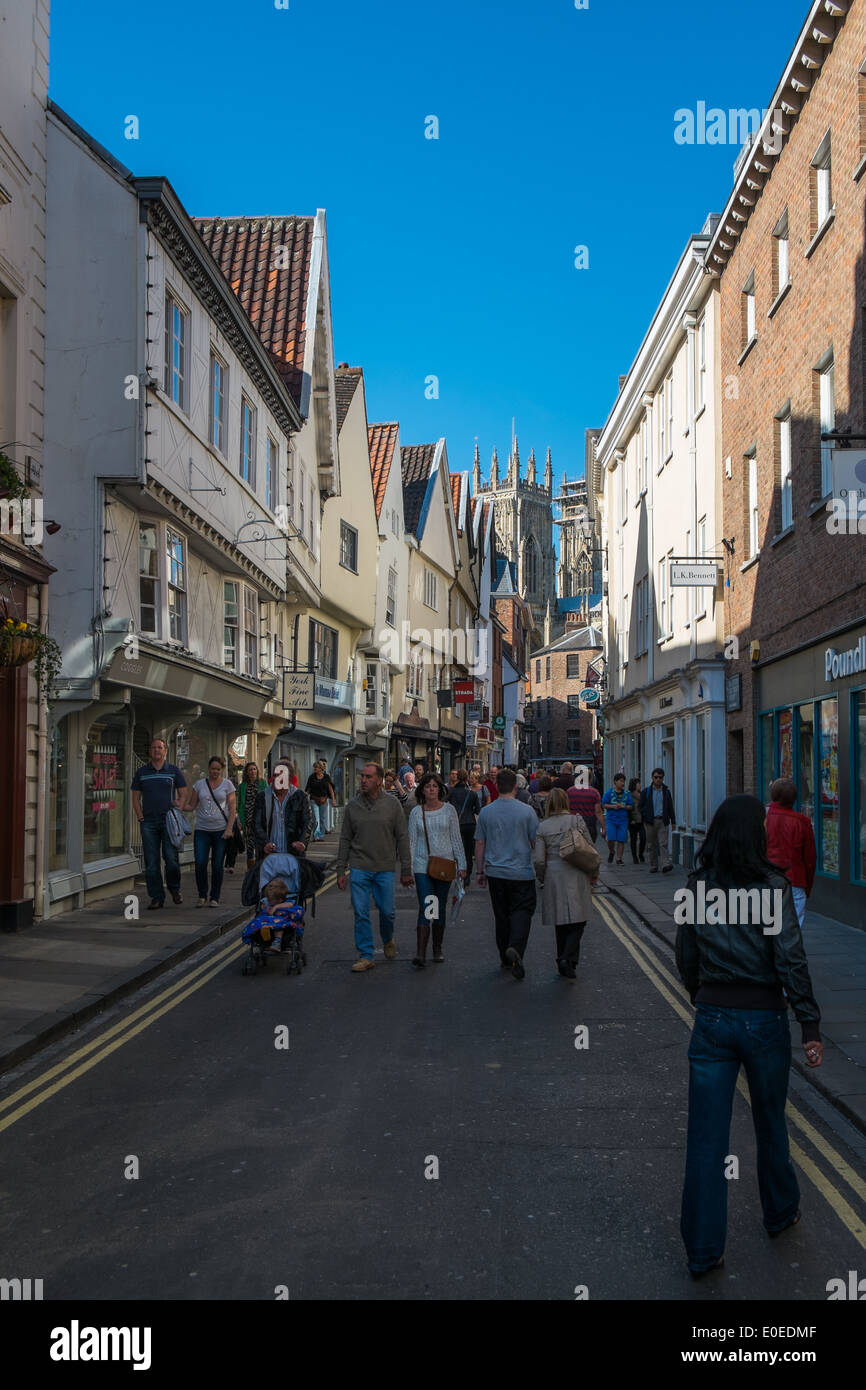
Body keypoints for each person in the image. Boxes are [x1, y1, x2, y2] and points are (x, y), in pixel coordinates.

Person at [676, 795, 822, 1277]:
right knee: (770, 1122)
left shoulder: (696, 886)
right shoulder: (774, 888)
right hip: (764, 1019)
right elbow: (790, 958)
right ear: (754, 835)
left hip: (714, 1017)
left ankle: (703, 1249)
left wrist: (702, 993)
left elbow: (687, 955)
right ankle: (780, 1213)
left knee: (705, 1138)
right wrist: (809, 1023)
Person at [336, 763, 413, 971]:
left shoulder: (393, 805)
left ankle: (388, 939)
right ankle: (366, 954)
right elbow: (344, 839)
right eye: (362, 776)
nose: (363, 780)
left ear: (379, 781)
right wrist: (341, 870)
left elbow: (403, 837)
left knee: (387, 912)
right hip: (359, 866)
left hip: (384, 868)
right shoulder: (352, 806)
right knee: (361, 911)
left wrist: (406, 869)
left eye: (368, 777)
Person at [475, 767, 539, 980]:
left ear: (497, 786)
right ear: (514, 786)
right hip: (521, 872)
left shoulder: (486, 812)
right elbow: (534, 841)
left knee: (501, 916)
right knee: (522, 911)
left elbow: (480, 843)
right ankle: (515, 948)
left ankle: (505, 956)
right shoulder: (527, 811)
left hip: (495, 872)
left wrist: (480, 871)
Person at [533, 787, 596, 978]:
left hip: (554, 873)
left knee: (560, 922)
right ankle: (568, 959)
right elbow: (590, 847)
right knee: (579, 920)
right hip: (576, 872)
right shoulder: (576, 820)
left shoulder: (543, 827)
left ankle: (564, 961)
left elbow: (539, 860)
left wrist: (543, 877)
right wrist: (593, 872)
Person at [409, 772, 466, 967]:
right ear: (422, 790)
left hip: (444, 864)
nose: (431, 789)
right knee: (427, 904)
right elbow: (411, 842)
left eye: (434, 786)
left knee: (438, 906)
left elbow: (456, 838)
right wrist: (409, 869)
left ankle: (437, 948)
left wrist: (462, 865)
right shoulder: (416, 812)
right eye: (427, 786)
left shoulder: (449, 810)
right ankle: (420, 953)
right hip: (422, 864)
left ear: (440, 789)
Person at [131, 738, 188, 909]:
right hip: (148, 822)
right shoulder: (142, 772)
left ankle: (174, 889)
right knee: (151, 862)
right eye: (154, 747)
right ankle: (156, 896)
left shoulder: (173, 771)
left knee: (171, 859)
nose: (157, 750)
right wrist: (140, 817)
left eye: (160, 747)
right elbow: (135, 798)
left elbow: (183, 793)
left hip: (169, 821)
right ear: (150, 751)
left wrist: (179, 807)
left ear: (165, 751)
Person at [765, 778, 817, 928]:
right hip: (794, 880)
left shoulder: (763, 817)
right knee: (793, 930)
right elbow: (810, 858)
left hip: (767, 878)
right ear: (794, 799)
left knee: (768, 927)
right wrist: (807, 886)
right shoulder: (802, 822)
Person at [186, 755, 237, 907]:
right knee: (200, 863)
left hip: (220, 830)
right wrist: (178, 805)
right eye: (212, 769)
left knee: (216, 865)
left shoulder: (228, 785)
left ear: (222, 770)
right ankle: (202, 895)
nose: (215, 771)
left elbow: (232, 808)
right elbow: (191, 805)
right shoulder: (199, 784)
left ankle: (214, 897)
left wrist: (229, 828)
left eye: (218, 769)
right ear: (208, 769)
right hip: (202, 829)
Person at [253, 758, 313, 859]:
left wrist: (302, 841)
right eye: (275, 775)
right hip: (269, 856)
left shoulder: (300, 797)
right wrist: (264, 843)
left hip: (293, 855)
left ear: (289, 779)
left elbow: (308, 821)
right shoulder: (262, 797)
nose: (277, 779)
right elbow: (256, 824)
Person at [447, 768, 481, 894]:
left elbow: (445, 805)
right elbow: (478, 810)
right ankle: (467, 876)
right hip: (470, 824)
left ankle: (458, 873)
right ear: (467, 778)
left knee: (456, 850)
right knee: (468, 851)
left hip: (457, 824)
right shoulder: (472, 793)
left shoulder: (451, 792)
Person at [639, 767, 676, 873]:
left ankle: (665, 864)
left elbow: (670, 807)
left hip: (662, 821)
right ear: (652, 778)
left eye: (660, 777)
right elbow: (640, 806)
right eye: (656, 777)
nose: (658, 779)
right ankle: (654, 865)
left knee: (663, 843)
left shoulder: (666, 792)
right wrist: (646, 816)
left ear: (663, 778)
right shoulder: (646, 791)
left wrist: (673, 821)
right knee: (651, 844)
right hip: (650, 822)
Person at [232, 762, 266, 872]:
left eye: (254, 769)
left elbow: (267, 800)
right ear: (247, 772)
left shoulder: (263, 783)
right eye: (250, 769)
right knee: (250, 843)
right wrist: (240, 820)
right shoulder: (242, 786)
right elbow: (240, 804)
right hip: (247, 818)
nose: (252, 771)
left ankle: (260, 867)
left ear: (257, 771)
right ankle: (250, 868)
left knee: (260, 843)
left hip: (260, 819)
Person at [601, 774, 633, 864]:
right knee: (610, 839)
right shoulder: (609, 793)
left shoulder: (627, 794)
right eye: (621, 781)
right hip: (611, 819)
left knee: (621, 839)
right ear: (615, 781)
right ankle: (612, 851)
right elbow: (604, 804)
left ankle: (619, 859)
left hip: (623, 819)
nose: (622, 783)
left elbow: (631, 806)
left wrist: (624, 806)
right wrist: (613, 806)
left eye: (623, 781)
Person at [568, 774, 606, 843]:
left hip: (573, 822)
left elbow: (567, 809)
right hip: (589, 823)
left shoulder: (569, 791)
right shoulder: (594, 792)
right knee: (589, 847)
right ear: (590, 779)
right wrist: (603, 826)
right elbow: (598, 812)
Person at [306, 760, 336, 841]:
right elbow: (308, 789)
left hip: (323, 800)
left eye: (316, 767)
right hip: (314, 799)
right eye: (314, 767)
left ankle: (320, 835)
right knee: (316, 818)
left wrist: (333, 799)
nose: (314, 769)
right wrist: (305, 798)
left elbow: (330, 789)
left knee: (322, 819)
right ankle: (315, 836)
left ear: (321, 768)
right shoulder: (311, 777)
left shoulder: (326, 777)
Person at [627, 777, 646, 864]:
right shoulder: (629, 796)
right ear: (634, 785)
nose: (640, 785)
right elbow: (627, 809)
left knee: (643, 838)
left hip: (641, 820)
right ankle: (635, 857)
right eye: (639, 783)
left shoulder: (642, 795)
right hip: (632, 821)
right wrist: (630, 819)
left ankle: (641, 853)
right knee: (633, 839)